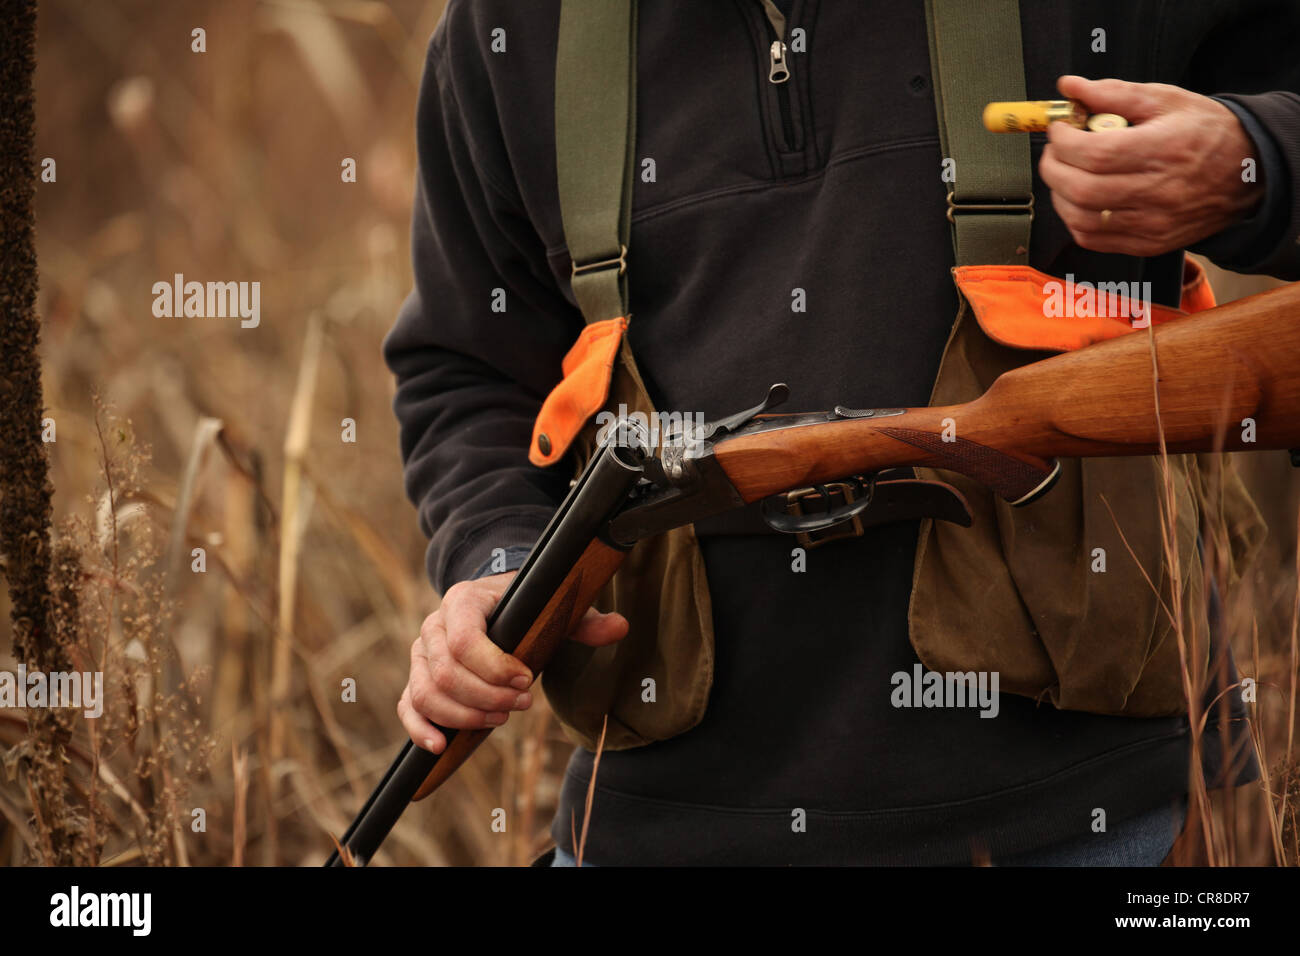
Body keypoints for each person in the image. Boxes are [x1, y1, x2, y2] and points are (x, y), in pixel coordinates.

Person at [382, 0, 1300, 866]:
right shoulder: (506, 30)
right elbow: (466, 370)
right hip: (654, 834)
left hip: (1105, 825)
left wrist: (1255, 165)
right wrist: (497, 563)